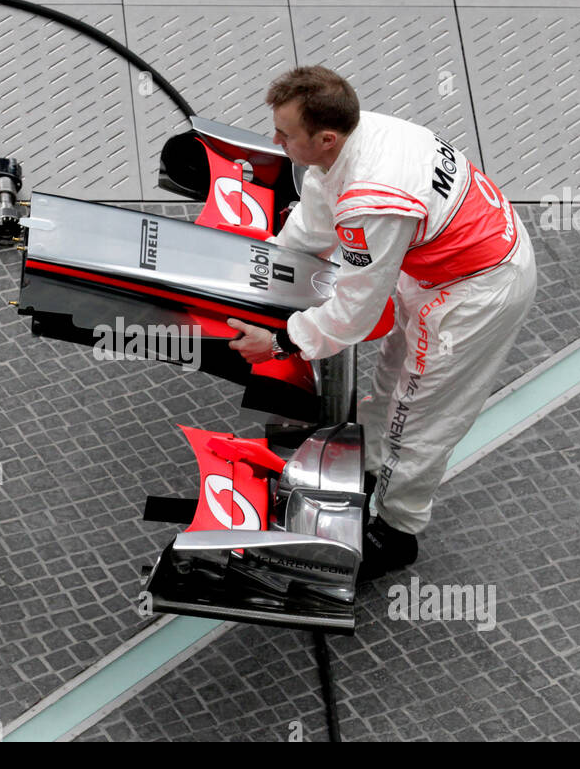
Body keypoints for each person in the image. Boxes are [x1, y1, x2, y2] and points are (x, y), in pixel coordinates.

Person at [228, 66, 537, 582]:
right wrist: (267, 265)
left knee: (416, 418)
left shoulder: (372, 198)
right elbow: (318, 213)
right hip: (450, 266)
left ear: (324, 137)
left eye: (284, 133)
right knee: (392, 382)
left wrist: (282, 339)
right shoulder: (357, 135)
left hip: (472, 295)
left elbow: (355, 313)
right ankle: (366, 474)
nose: (274, 140)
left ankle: (395, 532)